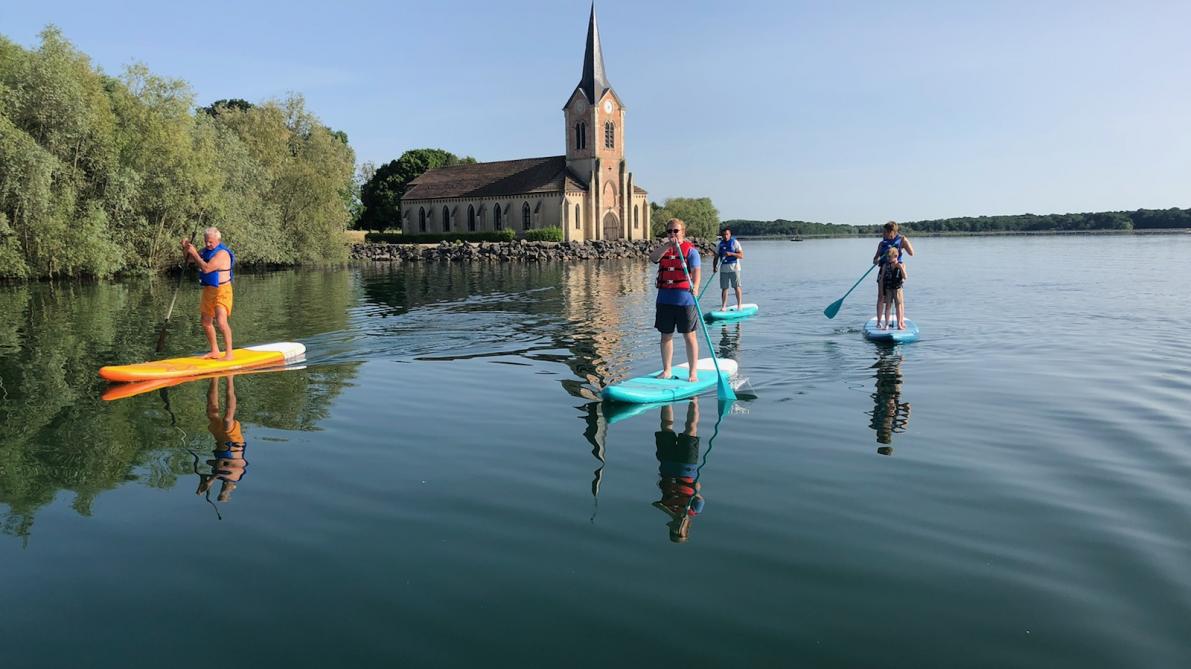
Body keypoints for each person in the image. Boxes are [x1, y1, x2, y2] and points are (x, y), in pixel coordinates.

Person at [649, 218, 701, 382]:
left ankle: (693, 373)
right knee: (665, 336)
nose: (672, 234)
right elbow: (653, 258)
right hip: (665, 299)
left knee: (689, 336)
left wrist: (696, 287)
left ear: (682, 232)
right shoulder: (664, 250)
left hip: (685, 300)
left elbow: (696, 273)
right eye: (669, 231)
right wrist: (667, 245)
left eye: (675, 231)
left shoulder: (691, 251)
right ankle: (667, 370)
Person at [653, 399, 704, 543]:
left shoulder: (667, 509)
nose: (676, 528)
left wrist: (674, 516)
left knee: (666, 427)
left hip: (667, 465)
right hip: (686, 467)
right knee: (691, 429)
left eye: (674, 531)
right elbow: (698, 490)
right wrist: (685, 513)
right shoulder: (694, 510)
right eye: (679, 531)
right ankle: (694, 400)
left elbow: (655, 504)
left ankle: (665, 400)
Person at [182, 227, 235, 360]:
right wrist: (186, 248)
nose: (207, 244)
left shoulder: (222, 253)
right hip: (209, 290)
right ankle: (215, 351)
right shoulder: (205, 251)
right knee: (206, 322)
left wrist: (194, 253)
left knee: (221, 322)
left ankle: (229, 354)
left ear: (218, 240)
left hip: (222, 291)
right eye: (206, 241)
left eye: (210, 242)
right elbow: (188, 260)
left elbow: (206, 268)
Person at [196, 376, 248, 503]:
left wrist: (205, 481)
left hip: (219, 439)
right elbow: (227, 471)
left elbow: (213, 465)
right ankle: (230, 378)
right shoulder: (237, 475)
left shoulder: (219, 474)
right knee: (227, 419)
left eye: (225, 487)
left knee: (212, 413)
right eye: (228, 488)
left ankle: (215, 378)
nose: (225, 486)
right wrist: (211, 481)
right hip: (233, 441)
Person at [872, 221, 914, 330]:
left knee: (899, 299)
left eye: (885, 232)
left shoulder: (901, 239)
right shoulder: (882, 243)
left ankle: (901, 322)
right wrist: (877, 260)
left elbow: (911, 253)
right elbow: (875, 259)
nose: (883, 234)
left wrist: (904, 244)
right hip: (884, 272)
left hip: (896, 272)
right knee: (881, 297)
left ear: (892, 232)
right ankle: (879, 322)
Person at [712, 226, 744, 312]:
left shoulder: (735, 243)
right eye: (724, 235)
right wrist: (714, 267)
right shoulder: (720, 245)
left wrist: (731, 254)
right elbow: (716, 257)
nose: (725, 236)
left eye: (727, 234)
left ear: (730, 235)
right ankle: (723, 307)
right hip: (723, 269)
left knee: (736, 287)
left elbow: (741, 256)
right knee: (724, 288)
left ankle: (739, 305)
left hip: (734, 268)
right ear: (722, 236)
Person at [878, 246, 908, 329]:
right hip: (888, 288)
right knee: (888, 306)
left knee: (898, 306)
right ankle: (886, 324)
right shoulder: (885, 265)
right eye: (887, 256)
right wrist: (882, 290)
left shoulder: (901, 265)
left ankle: (899, 324)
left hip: (898, 289)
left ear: (896, 256)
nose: (888, 258)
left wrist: (900, 268)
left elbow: (905, 277)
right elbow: (881, 278)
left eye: (889, 257)